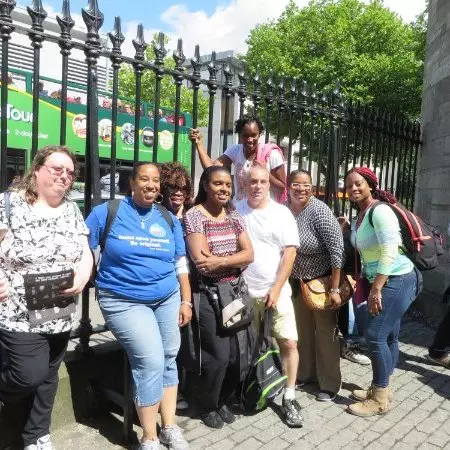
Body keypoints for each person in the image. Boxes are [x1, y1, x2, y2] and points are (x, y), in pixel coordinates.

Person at [86, 162, 192, 450]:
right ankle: (149, 436)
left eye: (156, 181)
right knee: (151, 361)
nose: (150, 185)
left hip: (167, 296)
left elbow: (180, 262)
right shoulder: (107, 213)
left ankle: (169, 426)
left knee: (170, 356)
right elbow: (84, 249)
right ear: (131, 183)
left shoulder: (167, 218)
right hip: (122, 300)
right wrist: (83, 276)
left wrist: (186, 299)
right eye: (144, 179)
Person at [0, 145, 93, 450]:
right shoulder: (10, 204)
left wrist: (82, 275)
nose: (64, 176)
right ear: (37, 169)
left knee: (49, 376)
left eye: (69, 172)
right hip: (17, 312)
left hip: (60, 311)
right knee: (28, 375)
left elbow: (84, 252)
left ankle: (37, 436)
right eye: (57, 168)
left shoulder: (72, 209)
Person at [344, 167, 422, 417]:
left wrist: (376, 288)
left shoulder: (380, 210)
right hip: (386, 279)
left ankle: (378, 399)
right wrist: (348, 228)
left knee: (375, 335)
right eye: (349, 186)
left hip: (397, 278)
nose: (353, 189)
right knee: (389, 337)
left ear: (370, 184)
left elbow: (389, 249)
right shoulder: (363, 214)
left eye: (358, 184)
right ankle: (382, 389)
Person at [184, 166, 254, 429]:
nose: (224, 189)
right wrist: (232, 261)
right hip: (208, 295)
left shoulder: (235, 216)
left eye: (227, 184)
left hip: (234, 293)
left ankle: (224, 399)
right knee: (218, 356)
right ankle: (207, 405)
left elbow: (249, 254)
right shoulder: (194, 217)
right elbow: (202, 263)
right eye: (217, 184)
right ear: (205, 186)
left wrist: (222, 261)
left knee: (237, 354)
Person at [236, 165, 303, 427]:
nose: (258, 186)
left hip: (276, 290)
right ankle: (255, 386)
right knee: (250, 345)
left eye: (263, 181)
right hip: (245, 293)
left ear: (269, 184)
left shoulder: (281, 213)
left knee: (288, 343)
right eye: (253, 181)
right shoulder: (237, 210)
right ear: (244, 183)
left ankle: (289, 395)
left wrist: (275, 289)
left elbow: (290, 253)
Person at [288, 169, 345, 402]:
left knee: (325, 333)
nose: (301, 189)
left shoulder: (319, 210)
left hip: (322, 283)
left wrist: (335, 287)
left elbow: (337, 249)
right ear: (288, 186)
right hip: (297, 283)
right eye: (296, 184)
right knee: (302, 332)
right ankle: (306, 373)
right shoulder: (285, 211)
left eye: (306, 185)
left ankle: (330, 384)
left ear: (312, 187)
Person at [159, 162, 193, 411]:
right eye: (172, 186)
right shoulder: (158, 213)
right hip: (168, 286)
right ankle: (170, 392)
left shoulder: (192, 211)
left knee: (188, 340)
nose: (177, 192)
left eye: (182, 187)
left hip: (192, 285)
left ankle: (186, 386)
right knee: (169, 343)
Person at [189, 115, 286, 202]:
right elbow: (211, 169)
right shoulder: (235, 150)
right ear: (240, 136)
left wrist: (266, 173)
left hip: (263, 210)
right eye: (245, 136)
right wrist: (199, 144)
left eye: (253, 135)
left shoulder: (272, 154)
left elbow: (282, 187)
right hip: (240, 209)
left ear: (259, 135)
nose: (250, 140)